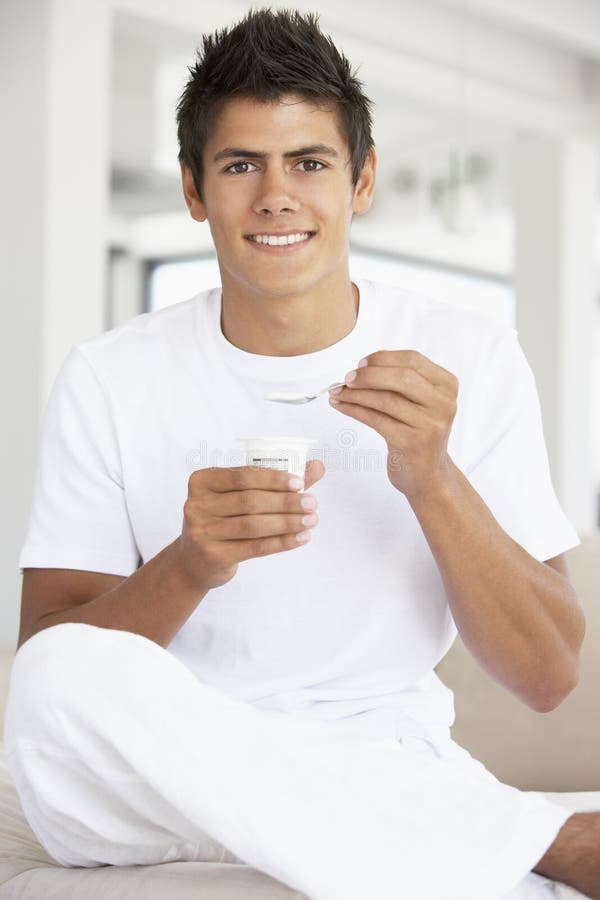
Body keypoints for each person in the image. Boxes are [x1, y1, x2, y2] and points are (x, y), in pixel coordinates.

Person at [4, 8, 598, 900]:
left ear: (360, 183)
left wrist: (433, 477)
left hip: (380, 751)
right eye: (241, 165)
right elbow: (51, 658)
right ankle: (539, 840)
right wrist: (189, 564)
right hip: (155, 782)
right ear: (195, 190)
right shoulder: (110, 376)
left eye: (309, 163)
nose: (276, 196)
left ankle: (394, 828)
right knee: (53, 672)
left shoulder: (468, 356)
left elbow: (549, 676)